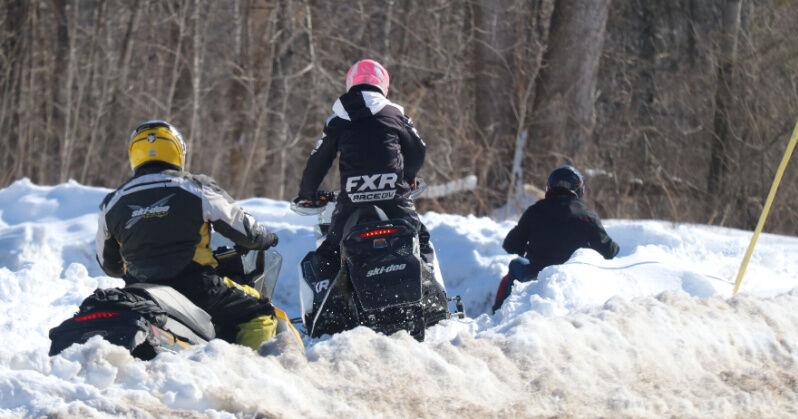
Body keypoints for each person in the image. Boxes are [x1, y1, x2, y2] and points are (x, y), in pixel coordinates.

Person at [96, 120, 280, 350]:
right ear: (177, 150)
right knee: (261, 312)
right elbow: (246, 230)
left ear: (135, 153)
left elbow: (108, 265)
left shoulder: (111, 202)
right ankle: (245, 375)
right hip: (196, 286)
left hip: (141, 291)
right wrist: (266, 237)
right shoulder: (195, 187)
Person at [294, 58, 432, 278]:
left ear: (351, 83)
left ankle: (325, 307)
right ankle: (432, 293)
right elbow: (418, 150)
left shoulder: (338, 119)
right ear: (383, 85)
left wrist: (307, 194)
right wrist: (409, 177)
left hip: (352, 202)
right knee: (419, 239)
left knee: (332, 251)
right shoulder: (395, 114)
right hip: (395, 198)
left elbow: (318, 160)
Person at [494, 165, 620, 312]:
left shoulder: (535, 211)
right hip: (573, 281)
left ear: (549, 187)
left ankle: (497, 317)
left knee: (515, 266)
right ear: (580, 189)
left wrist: (526, 245)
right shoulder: (588, 216)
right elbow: (610, 251)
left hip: (536, 276)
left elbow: (510, 245)